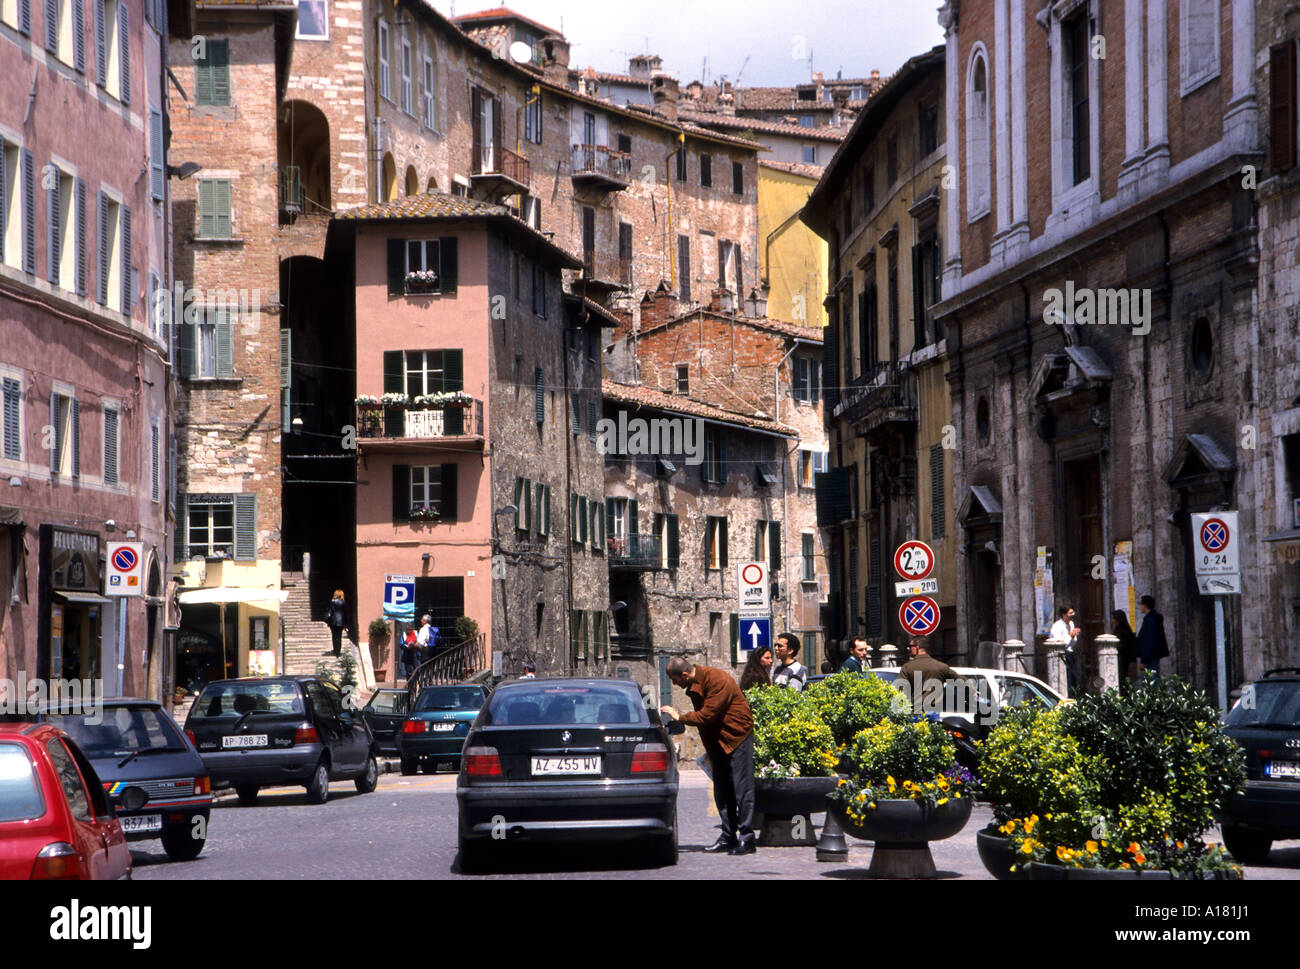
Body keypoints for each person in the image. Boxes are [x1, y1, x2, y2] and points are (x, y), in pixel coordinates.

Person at [660, 657, 756, 855]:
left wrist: (681, 717)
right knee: (722, 790)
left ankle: (747, 839)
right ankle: (728, 836)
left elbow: (707, 715)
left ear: (684, 675)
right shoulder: (696, 682)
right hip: (718, 742)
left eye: (674, 679)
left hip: (737, 737)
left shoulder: (716, 679)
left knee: (742, 788)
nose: (674, 684)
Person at [897, 635, 957, 714]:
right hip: (934, 712)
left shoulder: (907, 667)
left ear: (917, 647)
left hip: (915, 712)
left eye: (910, 646)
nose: (909, 649)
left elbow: (900, 690)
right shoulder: (941, 667)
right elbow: (960, 680)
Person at [1135, 595, 1170, 678]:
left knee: (1150, 682)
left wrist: (1144, 660)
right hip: (1150, 656)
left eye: (1140, 604)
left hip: (1149, 658)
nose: (1139, 606)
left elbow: (1149, 641)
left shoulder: (1151, 620)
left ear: (1145, 605)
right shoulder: (1150, 619)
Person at [1049, 605, 1079, 697]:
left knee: (1074, 678)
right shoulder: (1057, 626)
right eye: (1070, 613)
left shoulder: (1071, 624)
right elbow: (1060, 645)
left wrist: (1073, 636)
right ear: (1064, 615)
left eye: (1073, 612)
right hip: (1061, 655)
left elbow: (1072, 644)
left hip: (1070, 653)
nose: (1072, 615)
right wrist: (1070, 636)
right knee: (1065, 679)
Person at [1111, 610, 1139, 693]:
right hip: (1119, 659)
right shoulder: (1118, 630)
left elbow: (1124, 645)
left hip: (1123, 660)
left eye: (1113, 619)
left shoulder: (1124, 631)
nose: (1112, 621)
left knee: (1122, 680)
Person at [325, 590, 347, 656]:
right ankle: (338, 651)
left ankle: (335, 650)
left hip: (333, 621)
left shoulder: (332, 601)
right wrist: (346, 624)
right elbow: (345, 613)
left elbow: (330, 611)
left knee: (334, 636)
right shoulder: (343, 602)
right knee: (339, 636)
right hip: (341, 622)